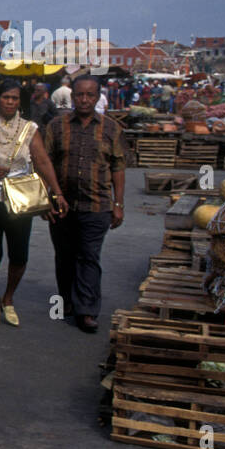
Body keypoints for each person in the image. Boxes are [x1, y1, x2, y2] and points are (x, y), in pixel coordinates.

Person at [0, 80, 68, 327]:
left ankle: (8, 299)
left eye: (14, 98)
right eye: (5, 97)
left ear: (20, 102)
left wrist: (57, 192)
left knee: (19, 255)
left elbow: (43, 162)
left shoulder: (30, 129)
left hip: (21, 201)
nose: (10, 102)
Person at [44, 74, 127, 334]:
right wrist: (46, 198)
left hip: (97, 205)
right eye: (79, 94)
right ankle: (67, 300)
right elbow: (44, 163)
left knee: (89, 256)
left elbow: (118, 167)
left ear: (98, 97)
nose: (84, 100)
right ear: (72, 96)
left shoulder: (111, 129)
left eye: (90, 95)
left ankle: (87, 310)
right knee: (64, 256)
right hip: (62, 205)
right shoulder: (56, 126)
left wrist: (118, 203)